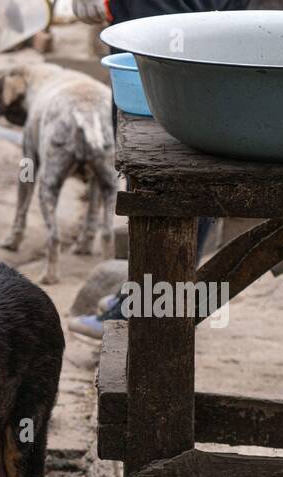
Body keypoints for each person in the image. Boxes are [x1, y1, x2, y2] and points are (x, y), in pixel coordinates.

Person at [66, 0, 248, 339]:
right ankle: (144, 294)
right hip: (176, 30)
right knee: (171, 166)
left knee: (166, 172)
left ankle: (144, 307)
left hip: (164, 31)